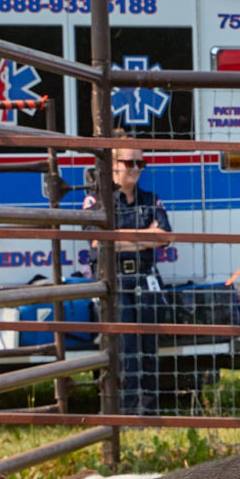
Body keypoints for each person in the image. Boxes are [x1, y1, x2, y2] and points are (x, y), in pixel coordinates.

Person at [78, 146, 175, 414]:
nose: (135, 168)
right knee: (125, 348)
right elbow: (98, 241)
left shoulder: (150, 199)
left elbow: (165, 237)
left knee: (149, 348)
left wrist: (120, 235)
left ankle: (150, 412)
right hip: (115, 282)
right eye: (129, 162)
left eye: (140, 163)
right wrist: (144, 237)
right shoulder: (97, 200)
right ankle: (127, 411)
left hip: (145, 280)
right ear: (113, 166)